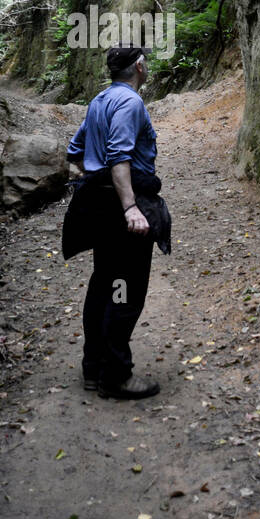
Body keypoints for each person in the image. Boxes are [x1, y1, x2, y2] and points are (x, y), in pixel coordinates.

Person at [63, 45, 171, 400]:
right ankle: (116, 375)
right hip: (122, 205)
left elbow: (75, 152)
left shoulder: (99, 101)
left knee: (104, 284)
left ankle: (93, 368)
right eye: (146, 63)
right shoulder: (130, 102)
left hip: (98, 204)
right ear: (139, 66)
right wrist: (129, 207)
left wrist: (97, 183)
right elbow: (119, 155)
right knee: (126, 288)